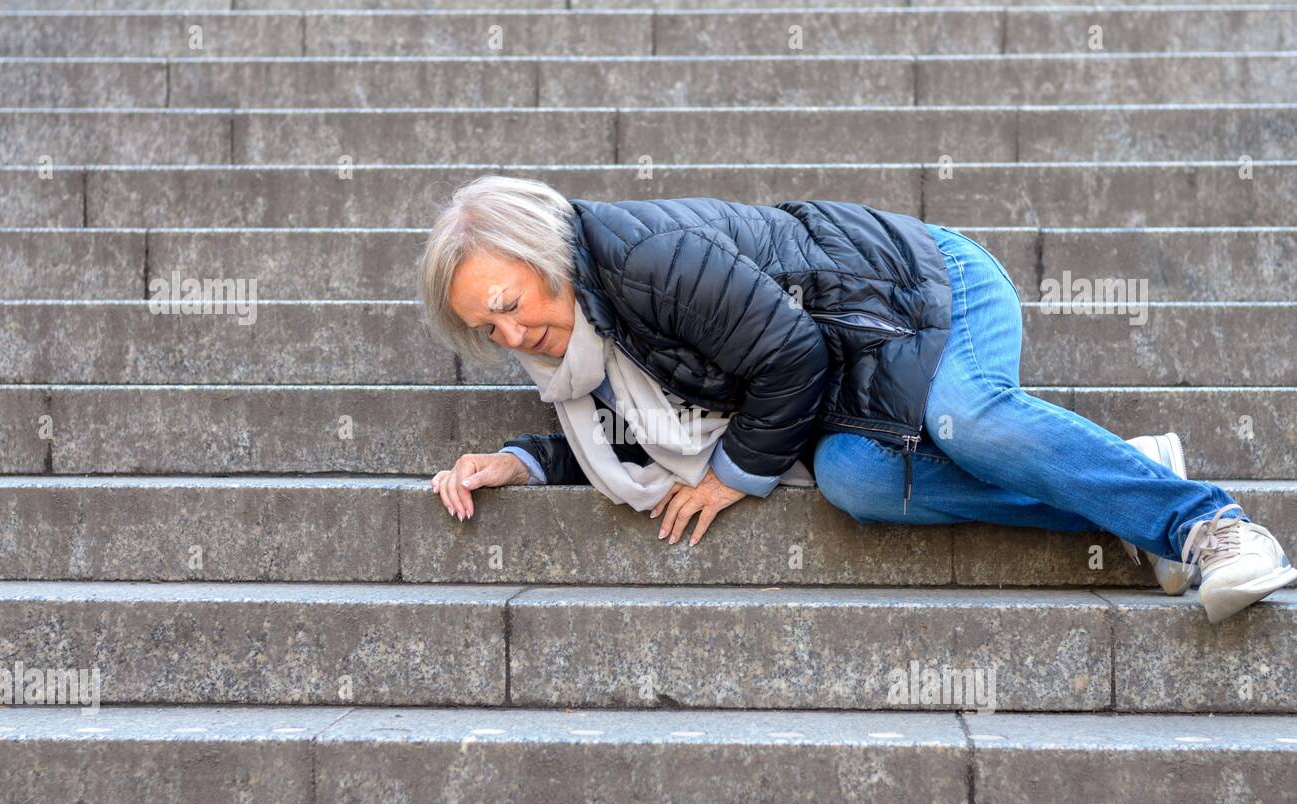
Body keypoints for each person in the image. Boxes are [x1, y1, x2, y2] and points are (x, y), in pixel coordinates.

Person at [418, 175, 1296, 624]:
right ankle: (1130, 480)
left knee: (965, 417)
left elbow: (791, 355)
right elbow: (638, 432)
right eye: (487, 329)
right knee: (854, 480)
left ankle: (1205, 524)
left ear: (543, 250)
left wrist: (732, 474)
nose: (513, 334)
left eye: (508, 304)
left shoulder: (649, 262)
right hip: (856, 382)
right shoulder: (588, 334)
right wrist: (524, 461)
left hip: (925, 291)